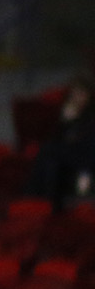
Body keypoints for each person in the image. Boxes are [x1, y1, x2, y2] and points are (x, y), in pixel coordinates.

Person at [29, 76, 95, 205]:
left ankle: (30, 194)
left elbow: (89, 145)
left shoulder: (91, 117)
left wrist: (86, 171)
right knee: (51, 164)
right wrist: (65, 122)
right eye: (74, 94)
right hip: (66, 162)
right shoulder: (68, 113)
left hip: (84, 161)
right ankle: (48, 206)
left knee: (48, 150)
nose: (77, 98)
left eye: (81, 94)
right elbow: (59, 141)